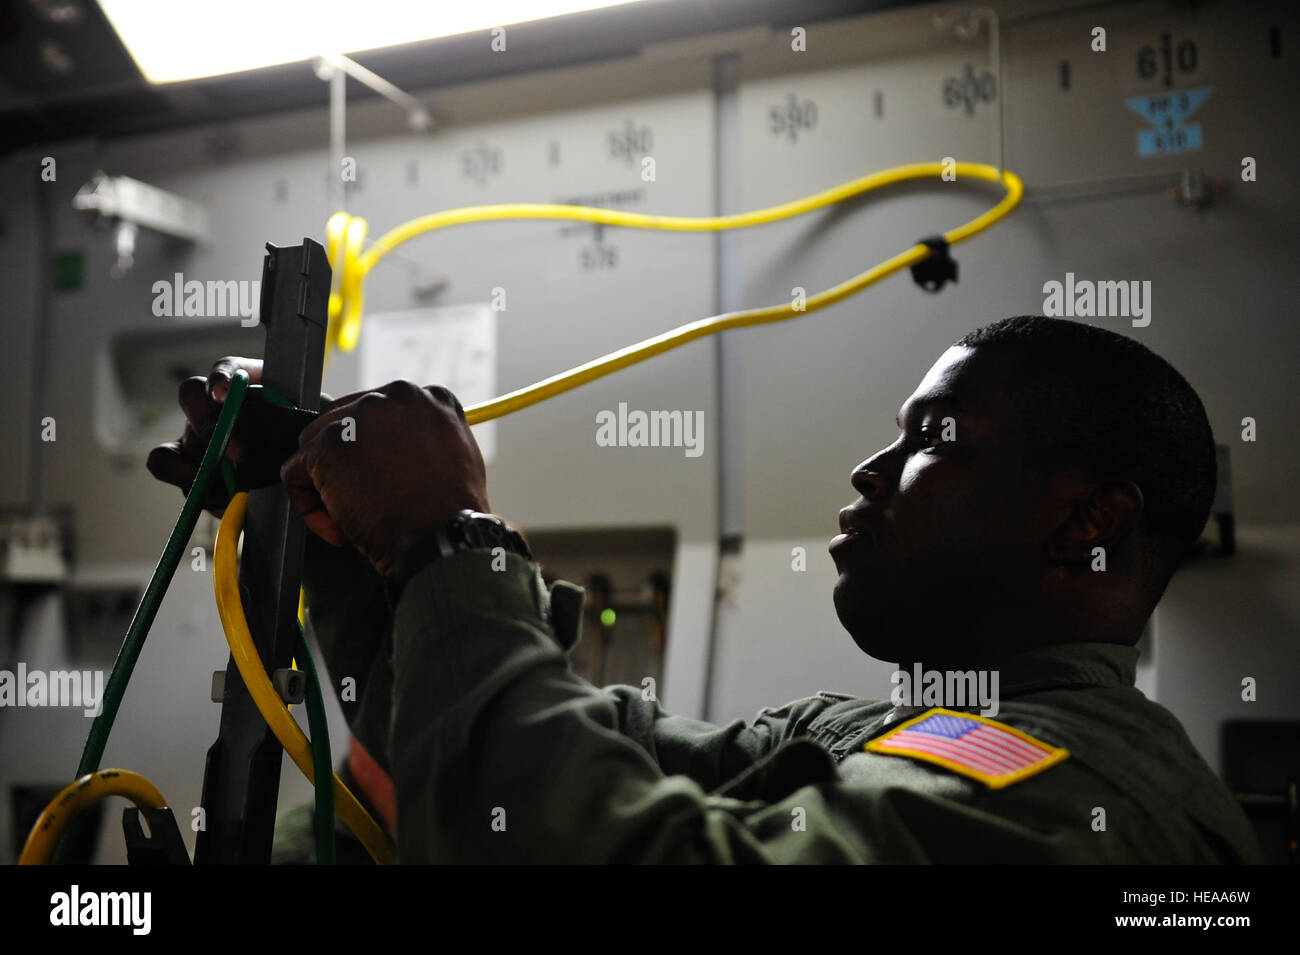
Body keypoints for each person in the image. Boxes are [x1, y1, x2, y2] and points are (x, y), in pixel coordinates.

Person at [149, 315, 1260, 863]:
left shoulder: (1084, 810)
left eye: (935, 439)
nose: (872, 472)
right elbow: (557, 755)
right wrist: (369, 543)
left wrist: (453, 538)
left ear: (1089, 522)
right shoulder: (902, 733)